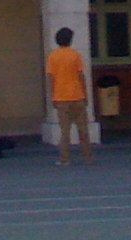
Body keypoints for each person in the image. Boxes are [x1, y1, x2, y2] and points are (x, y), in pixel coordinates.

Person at [46, 26, 92, 166]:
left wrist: (52, 96)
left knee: (65, 131)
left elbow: (51, 78)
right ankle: (87, 157)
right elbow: (81, 76)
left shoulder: (53, 56)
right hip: (77, 96)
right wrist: (85, 95)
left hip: (61, 98)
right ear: (70, 40)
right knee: (83, 130)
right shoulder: (75, 55)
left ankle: (65, 159)